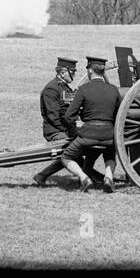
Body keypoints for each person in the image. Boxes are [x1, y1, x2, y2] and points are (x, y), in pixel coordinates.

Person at [58, 55, 121, 193]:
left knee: (66, 157)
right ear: (103, 71)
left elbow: (69, 117)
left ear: (90, 71)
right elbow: (119, 116)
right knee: (110, 154)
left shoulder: (83, 90)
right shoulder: (114, 90)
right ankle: (109, 177)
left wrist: (75, 133)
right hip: (109, 136)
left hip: (87, 135)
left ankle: (84, 178)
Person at [32, 56, 92, 188]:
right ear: (63, 72)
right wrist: (69, 132)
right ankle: (90, 176)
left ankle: (42, 176)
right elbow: (53, 116)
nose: (74, 75)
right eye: (73, 72)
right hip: (55, 131)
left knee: (77, 149)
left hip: (66, 130)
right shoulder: (51, 89)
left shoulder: (65, 88)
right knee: (73, 149)